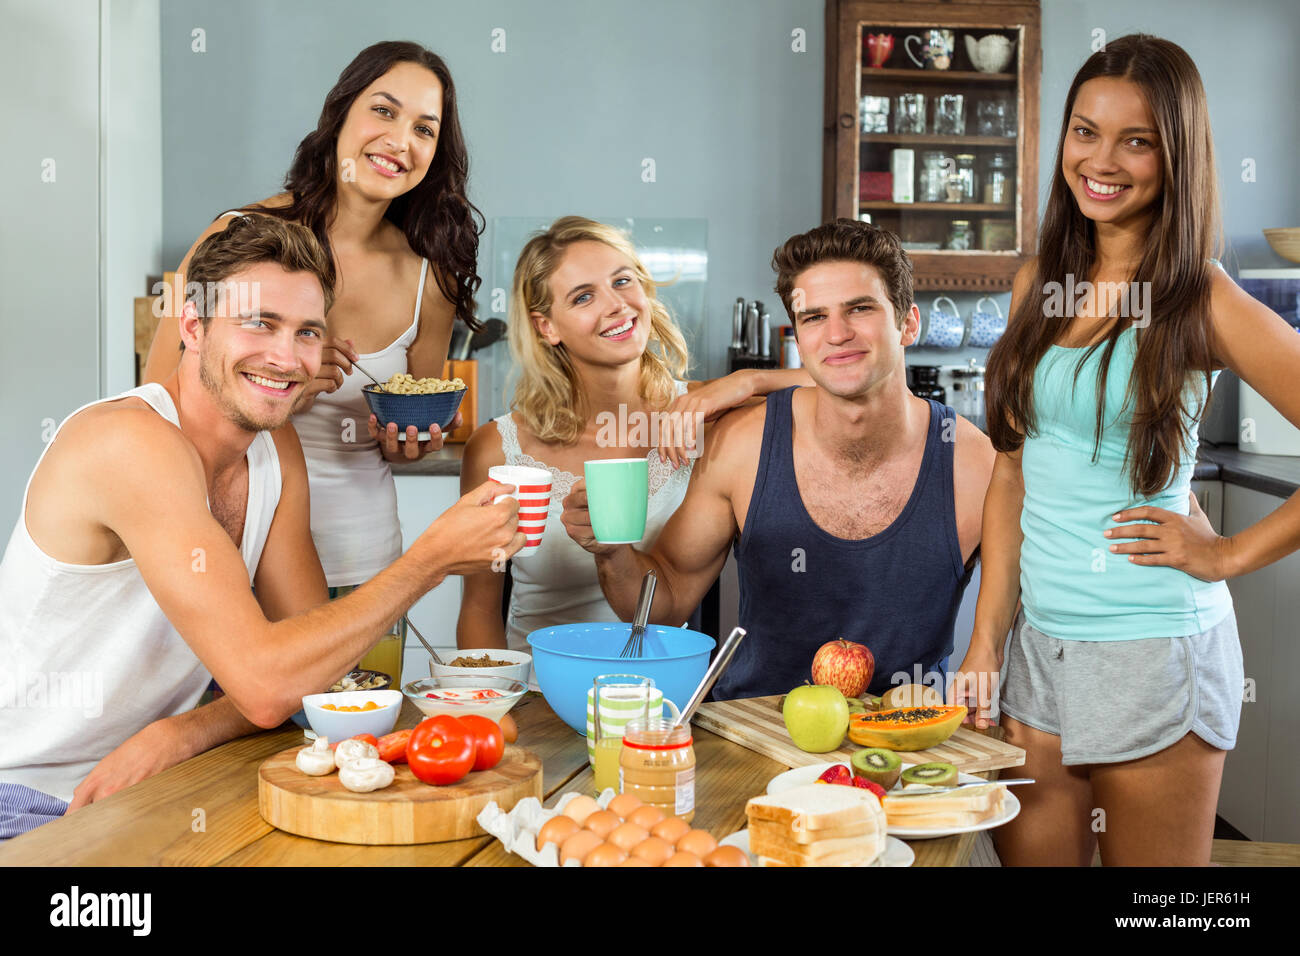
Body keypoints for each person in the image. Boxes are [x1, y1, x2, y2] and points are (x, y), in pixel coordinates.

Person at [0, 215, 521, 837]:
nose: (285, 356)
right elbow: (272, 685)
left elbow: (312, 673)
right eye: (259, 323)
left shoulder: (276, 451)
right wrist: (431, 558)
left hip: (152, 786)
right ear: (193, 326)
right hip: (30, 796)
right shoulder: (127, 443)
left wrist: (179, 732)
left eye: (307, 332)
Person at [950, 35, 1300, 866]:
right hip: (1040, 648)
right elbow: (1011, 473)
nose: (1101, 161)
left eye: (1136, 140)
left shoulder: (1202, 298)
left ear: (1176, 155)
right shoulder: (1038, 282)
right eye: (1084, 131)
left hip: (1154, 650)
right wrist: (985, 644)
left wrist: (1229, 554)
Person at [143, 41, 482, 677]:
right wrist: (282, 379)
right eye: (383, 110)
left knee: (354, 757)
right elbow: (157, 396)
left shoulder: (425, 276)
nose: (400, 140)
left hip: (365, 568)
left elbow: (409, 420)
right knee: (233, 755)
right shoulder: (236, 236)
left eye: (424, 128)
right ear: (340, 115)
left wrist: (408, 442)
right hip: (226, 557)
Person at [561, 219, 995, 699]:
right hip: (753, 740)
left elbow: (1024, 616)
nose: (837, 334)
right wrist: (612, 553)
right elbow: (661, 607)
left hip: (905, 747)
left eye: (860, 309)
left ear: (908, 322)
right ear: (799, 334)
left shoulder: (976, 466)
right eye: (813, 317)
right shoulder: (741, 445)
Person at [457, 216, 810, 651]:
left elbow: (852, 388)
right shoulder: (496, 448)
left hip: (657, 695)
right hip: (537, 694)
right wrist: (495, 705)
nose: (617, 305)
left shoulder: (708, 416)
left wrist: (747, 381)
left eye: (622, 281)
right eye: (584, 296)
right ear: (546, 326)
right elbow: (478, 610)